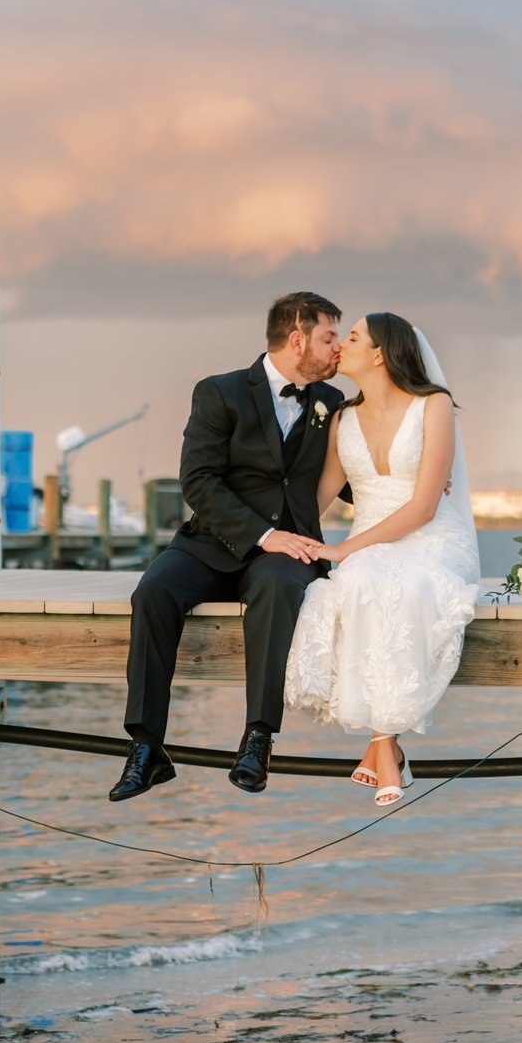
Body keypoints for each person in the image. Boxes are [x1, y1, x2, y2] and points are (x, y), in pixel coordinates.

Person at [111, 291, 346, 801]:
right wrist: (263, 534)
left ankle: (258, 737)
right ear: (297, 337)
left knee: (279, 591)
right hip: (211, 543)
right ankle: (147, 746)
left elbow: (352, 476)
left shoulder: (331, 404)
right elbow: (198, 481)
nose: (338, 350)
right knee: (152, 593)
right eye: (329, 338)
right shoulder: (219, 392)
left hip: (286, 556)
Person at [284, 312, 481, 803]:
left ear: (378, 353)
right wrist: (271, 535)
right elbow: (319, 496)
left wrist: (346, 548)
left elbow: (424, 505)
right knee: (360, 580)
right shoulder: (342, 418)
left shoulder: (433, 406)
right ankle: (386, 750)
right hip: (371, 546)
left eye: (351, 337)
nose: (339, 345)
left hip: (432, 540)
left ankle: (382, 746)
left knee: (398, 583)